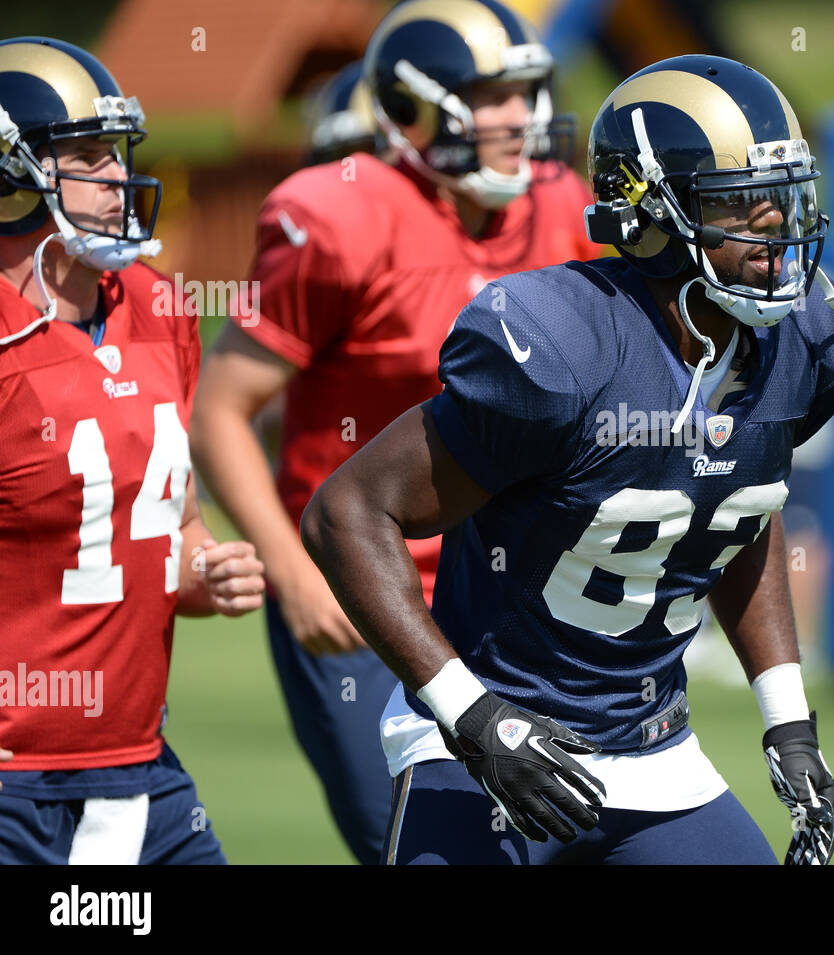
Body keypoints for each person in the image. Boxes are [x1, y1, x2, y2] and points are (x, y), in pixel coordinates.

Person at [301, 54, 834, 865]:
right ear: (652, 212)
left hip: (655, 754)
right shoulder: (563, 345)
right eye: (737, 202)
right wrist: (473, 716)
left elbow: (739, 503)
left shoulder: (808, 341)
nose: (774, 228)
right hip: (490, 739)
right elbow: (347, 511)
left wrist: (787, 719)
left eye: (782, 195)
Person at [188, 0, 604, 865]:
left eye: (525, 94)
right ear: (413, 108)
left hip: (520, 598)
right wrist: (291, 568)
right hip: (368, 594)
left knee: (568, 842)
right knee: (421, 846)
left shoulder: (562, 205)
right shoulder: (343, 217)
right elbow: (221, 407)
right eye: (491, 97)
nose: (519, 119)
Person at [0, 36, 265, 864]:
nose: (118, 178)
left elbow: (167, 530)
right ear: (12, 177)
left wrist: (203, 568)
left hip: (139, 767)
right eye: (86, 157)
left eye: (117, 154)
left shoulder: (158, 307)